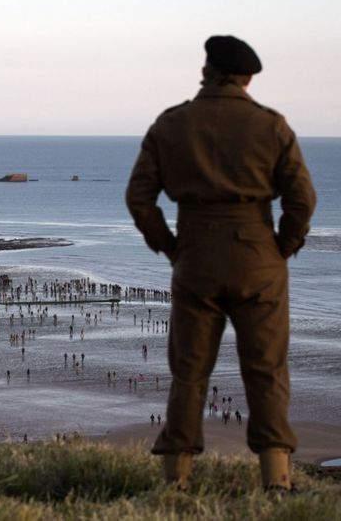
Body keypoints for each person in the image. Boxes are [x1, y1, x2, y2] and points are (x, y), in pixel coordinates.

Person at [126, 35, 315, 492]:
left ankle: (177, 479)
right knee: (267, 369)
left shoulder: (171, 125)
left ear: (206, 70)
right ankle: (276, 481)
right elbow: (302, 199)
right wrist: (280, 248)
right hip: (257, 257)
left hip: (195, 255)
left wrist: (170, 247)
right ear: (248, 78)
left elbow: (139, 197)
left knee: (189, 371)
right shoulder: (270, 126)